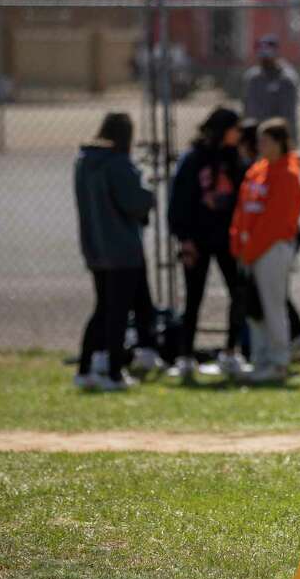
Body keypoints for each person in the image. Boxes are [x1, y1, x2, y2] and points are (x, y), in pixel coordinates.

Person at [73, 112, 156, 392]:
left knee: (102, 309)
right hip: (122, 250)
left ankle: (85, 369)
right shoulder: (118, 163)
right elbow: (135, 202)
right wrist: (148, 187)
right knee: (118, 313)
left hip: (95, 248)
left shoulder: (84, 162)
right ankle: (114, 373)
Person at [167, 106, 247, 382]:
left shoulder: (235, 159)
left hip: (227, 239)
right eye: (235, 128)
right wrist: (184, 238)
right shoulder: (194, 159)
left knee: (238, 293)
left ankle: (230, 352)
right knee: (193, 299)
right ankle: (186, 356)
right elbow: (179, 201)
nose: (239, 134)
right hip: (198, 240)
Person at [230, 117, 300, 383]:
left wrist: (250, 249)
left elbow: (274, 220)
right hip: (250, 250)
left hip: (272, 250)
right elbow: (242, 210)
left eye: (266, 140)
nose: (260, 145)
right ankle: (260, 360)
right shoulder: (258, 170)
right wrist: (237, 244)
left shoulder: (287, 174)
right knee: (255, 310)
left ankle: (278, 362)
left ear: (280, 142)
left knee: (273, 307)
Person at [243, 34, 300, 143]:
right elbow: (248, 110)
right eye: (262, 56)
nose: (264, 59)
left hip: (279, 137)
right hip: (256, 137)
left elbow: (288, 116)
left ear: (276, 54)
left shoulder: (287, 79)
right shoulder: (252, 78)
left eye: (268, 56)